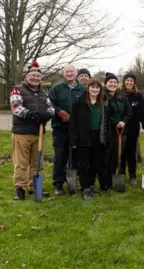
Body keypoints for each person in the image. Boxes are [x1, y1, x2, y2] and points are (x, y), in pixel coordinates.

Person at [10, 64, 54, 200]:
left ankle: (34, 187)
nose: (35, 78)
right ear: (26, 77)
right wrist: (33, 115)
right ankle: (20, 189)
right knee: (21, 163)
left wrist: (48, 114)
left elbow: (51, 107)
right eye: (32, 75)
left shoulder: (43, 93)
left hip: (38, 133)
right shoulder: (17, 90)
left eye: (37, 76)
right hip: (22, 133)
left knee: (38, 163)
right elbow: (16, 107)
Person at [48, 64, 86, 195]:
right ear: (63, 74)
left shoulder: (83, 89)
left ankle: (75, 182)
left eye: (72, 71)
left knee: (76, 156)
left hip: (77, 130)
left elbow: (86, 107)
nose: (69, 73)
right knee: (60, 156)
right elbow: (50, 104)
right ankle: (58, 183)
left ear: (76, 74)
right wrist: (59, 112)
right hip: (60, 128)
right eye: (67, 72)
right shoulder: (56, 88)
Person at [70, 78, 108, 199]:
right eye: (92, 87)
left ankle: (91, 186)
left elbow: (105, 123)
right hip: (84, 137)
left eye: (97, 87)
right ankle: (85, 188)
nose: (95, 89)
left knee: (95, 163)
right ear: (88, 88)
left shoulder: (102, 104)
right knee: (84, 164)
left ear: (100, 90)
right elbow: (73, 123)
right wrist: (73, 140)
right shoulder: (79, 103)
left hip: (98, 137)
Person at [120, 73, 144, 184]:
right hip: (119, 129)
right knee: (121, 153)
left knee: (131, 153)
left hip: (133, 130)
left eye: (131, 81)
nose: (129, 82)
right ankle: (121, 174)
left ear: (134, 83)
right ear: (124, 81)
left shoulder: (138, 96)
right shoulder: (119, 94)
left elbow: (142, 114)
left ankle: (133, 176)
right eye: (127, 80)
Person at [104, 72, 132, 189]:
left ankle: (113, 179)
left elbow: (129, 111)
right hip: (107, 131)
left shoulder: (122, 96)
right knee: (106, 156)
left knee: (116, 155)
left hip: (121, 132)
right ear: (106, 84)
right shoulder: (103, 96)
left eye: (115, 82)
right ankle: (105, 179)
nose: (113, 84)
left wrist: (124, 121)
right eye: (110, 82)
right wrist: (116, 122)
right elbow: (105, 114)